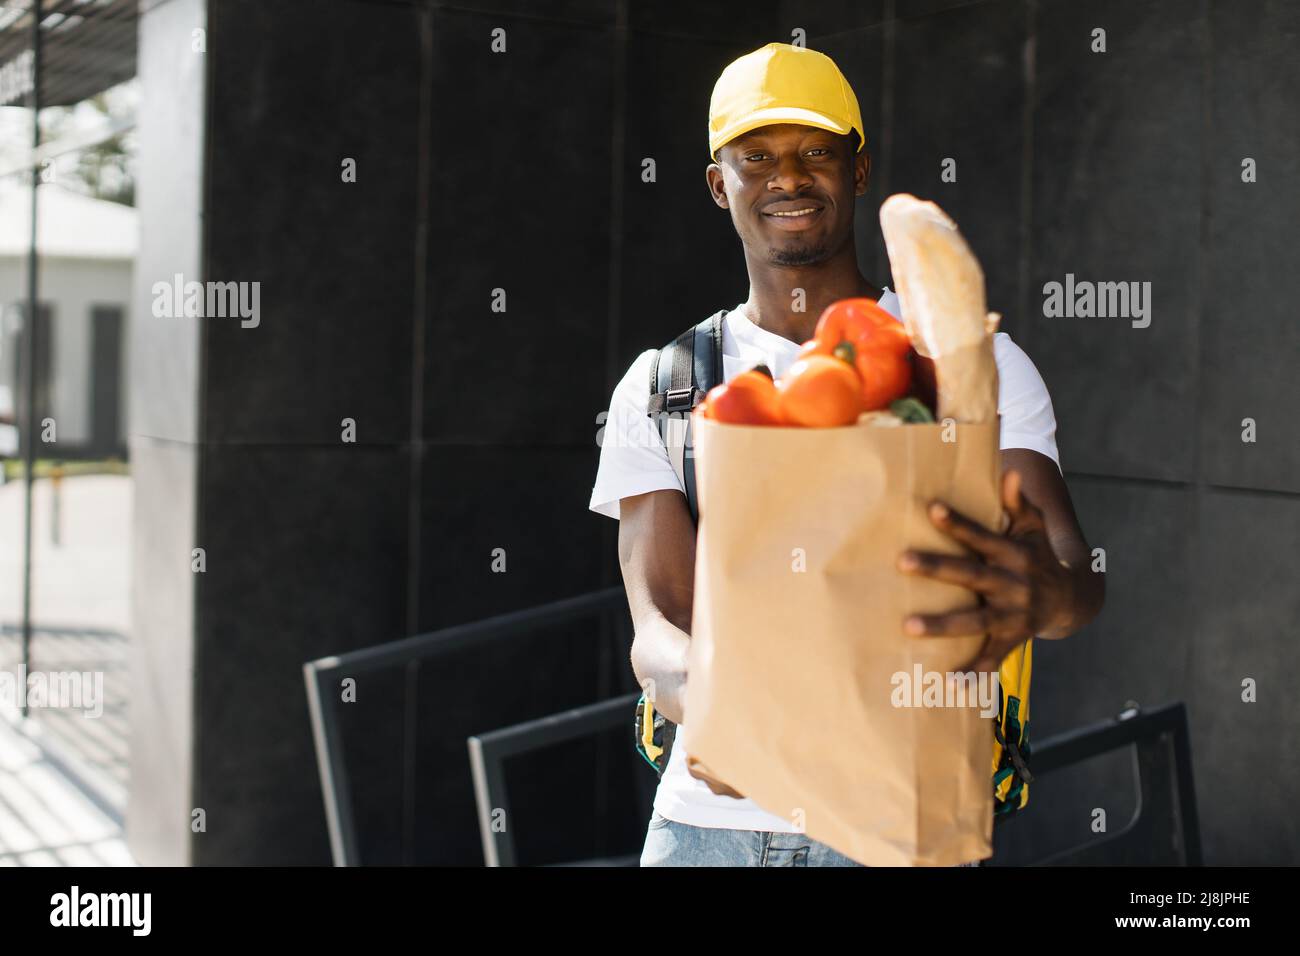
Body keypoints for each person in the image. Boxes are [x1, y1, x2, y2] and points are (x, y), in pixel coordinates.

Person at [589, 42, 1104, 867]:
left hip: (900, 819)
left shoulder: (969, 364)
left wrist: (1045, 596)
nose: (789, 178)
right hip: (704, 829)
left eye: (815, 153)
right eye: (757, 157)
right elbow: (658, 628)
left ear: (857, 171)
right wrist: (715, 700)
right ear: (720, 184)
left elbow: (1075, 582)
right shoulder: (664, 386)